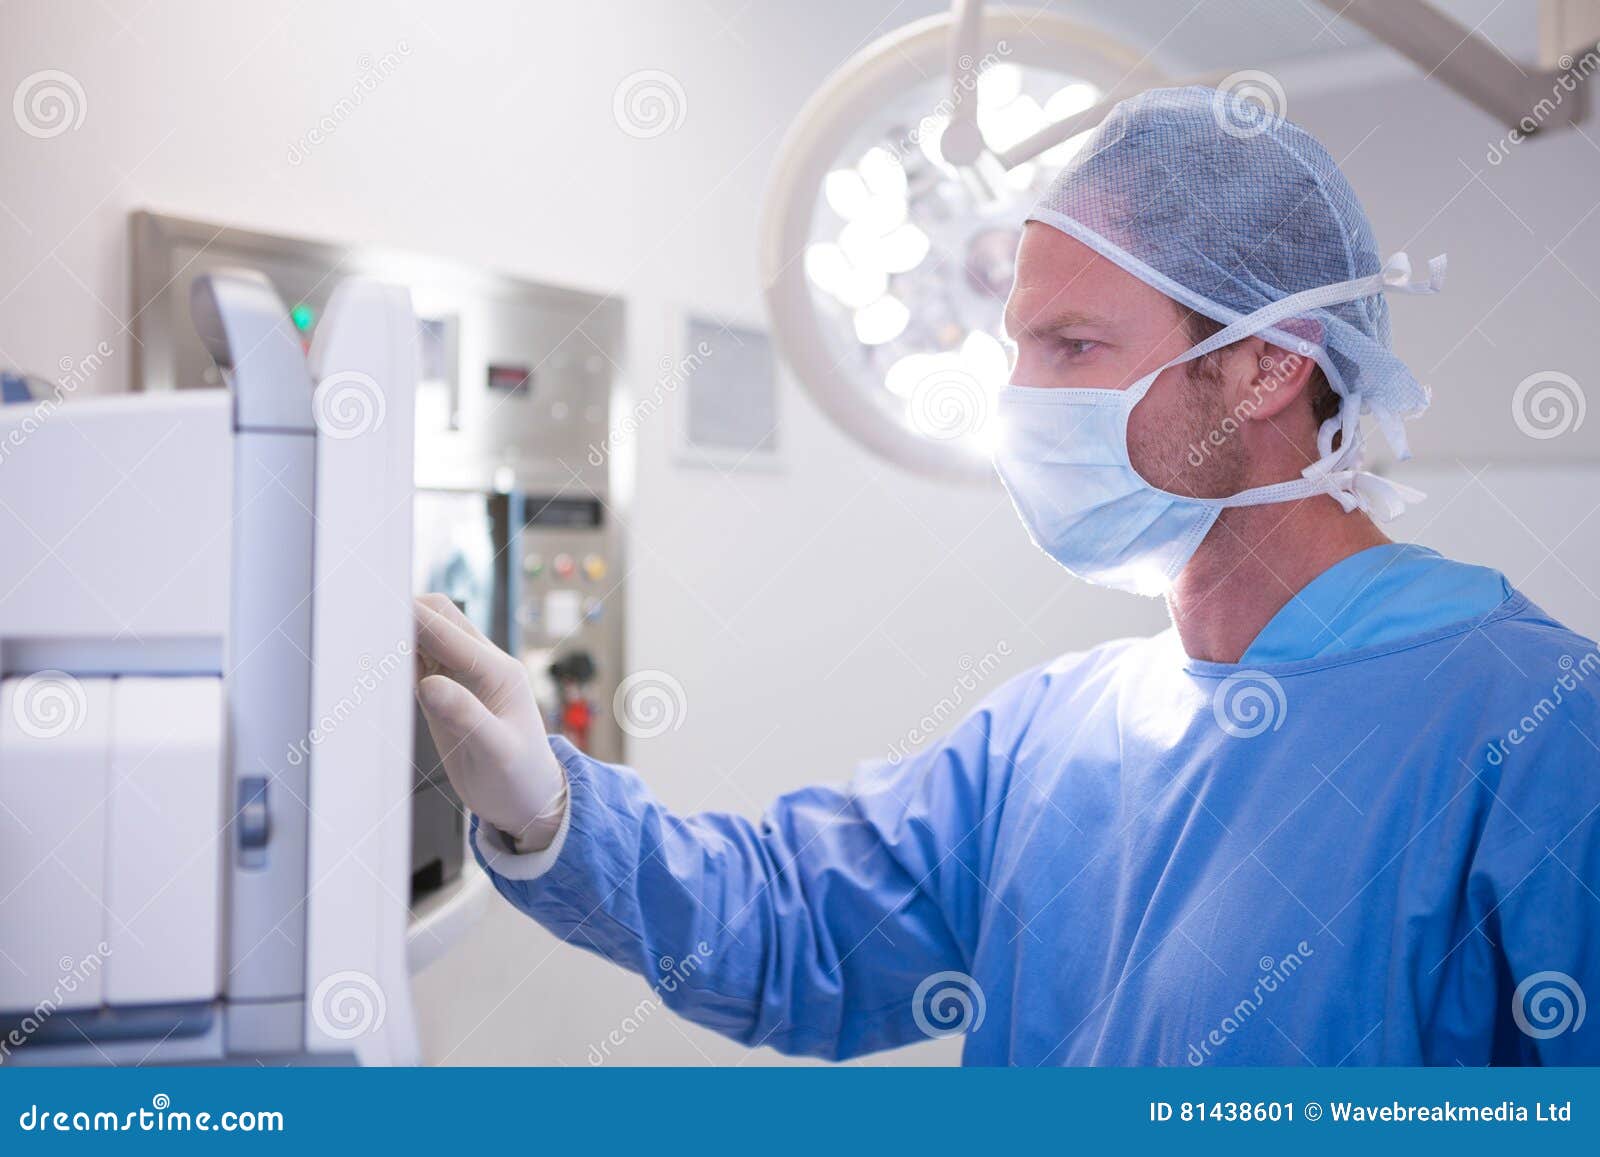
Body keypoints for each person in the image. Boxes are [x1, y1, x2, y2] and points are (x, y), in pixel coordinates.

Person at [414, 86, 1600, 1065]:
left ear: (1265, 370)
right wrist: (548, 812)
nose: (1023, 398)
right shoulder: (1053, 735)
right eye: (1017, 348)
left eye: (1071, 345)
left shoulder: (1540, 729)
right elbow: (792, 931)